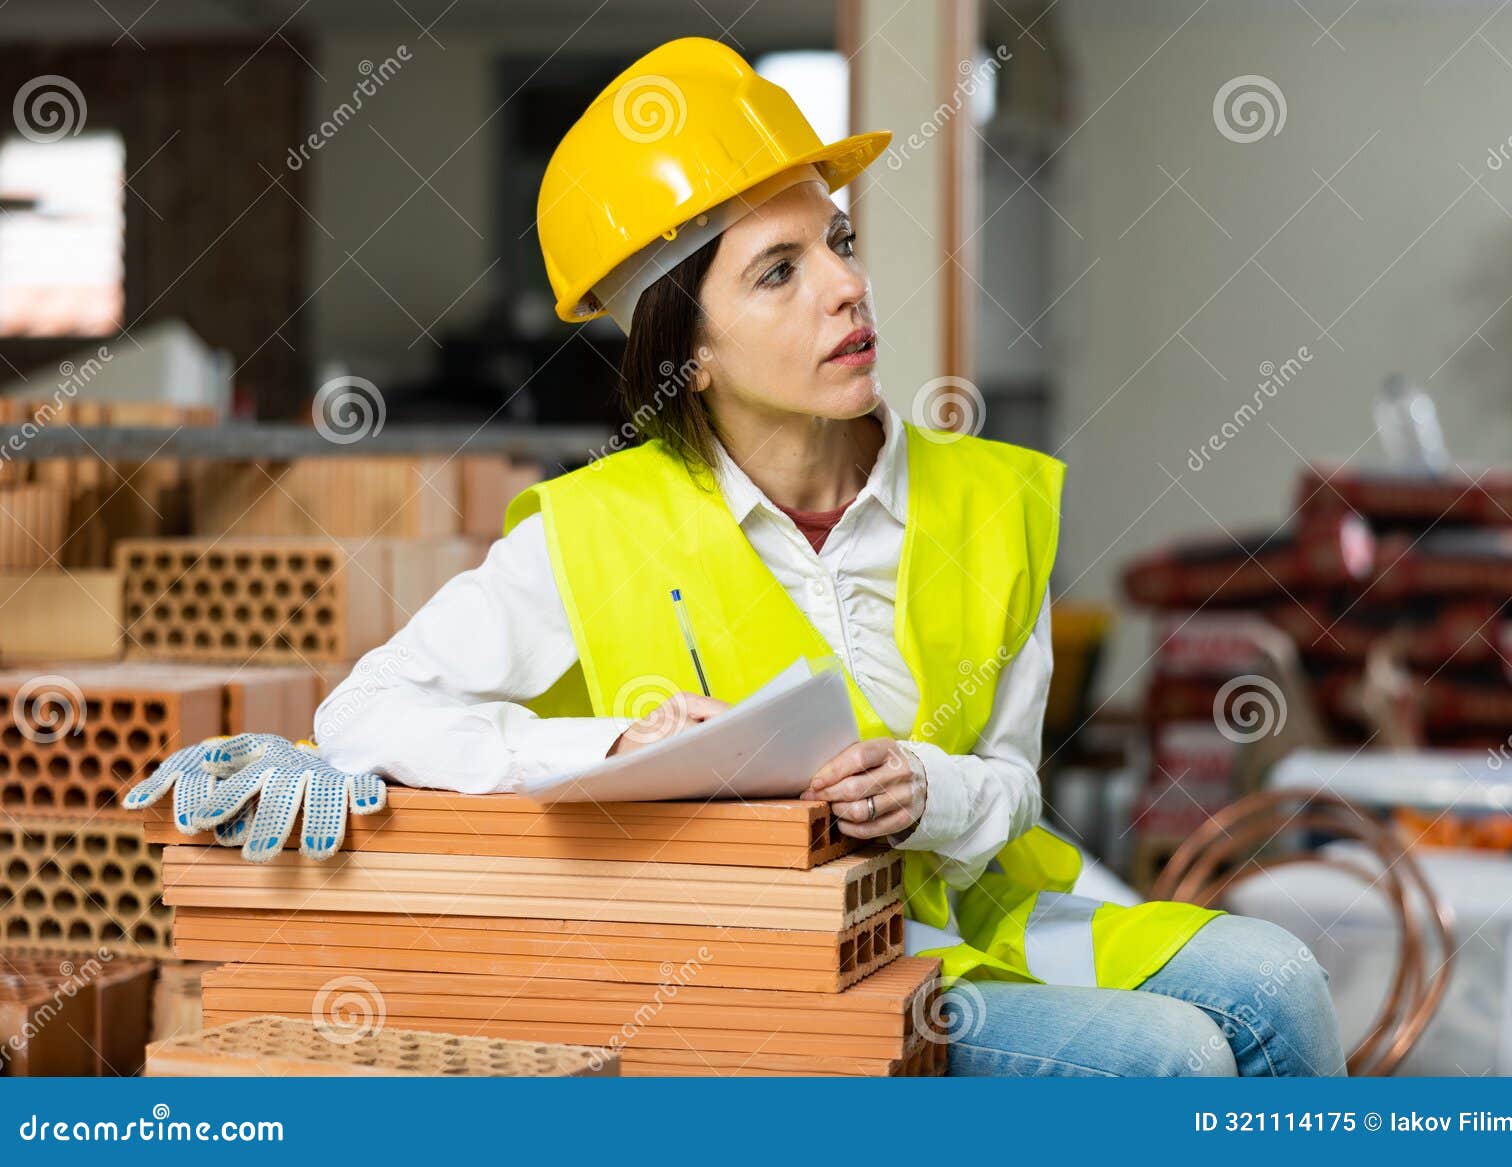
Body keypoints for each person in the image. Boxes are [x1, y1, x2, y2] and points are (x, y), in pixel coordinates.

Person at [131, 36, 1345, 1078]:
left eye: (838, 241)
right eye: (780, 271)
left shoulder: (990, 499)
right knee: (1175, 1057)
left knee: (1281, 978)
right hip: (803, 959)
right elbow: (363, 713)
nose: (848, 288)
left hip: (985, 907)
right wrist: (610, 745)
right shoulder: (591, 533)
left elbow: (1013, 784)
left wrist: (930, 786)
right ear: (689, 353)